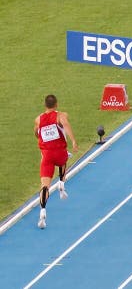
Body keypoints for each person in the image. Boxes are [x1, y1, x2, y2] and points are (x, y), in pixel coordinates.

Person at [34, 94, 78, 229]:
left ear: (45, 105)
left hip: (46, 156)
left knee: (44, 186)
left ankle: (42, 211)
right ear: (56, 104)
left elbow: (36, 132)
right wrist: (73, 141)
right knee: (64, 160)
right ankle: (61, 183)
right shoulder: (61, 115)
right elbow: (66, 124)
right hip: (59, 152)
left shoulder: (38, 119)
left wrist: (42, 137)